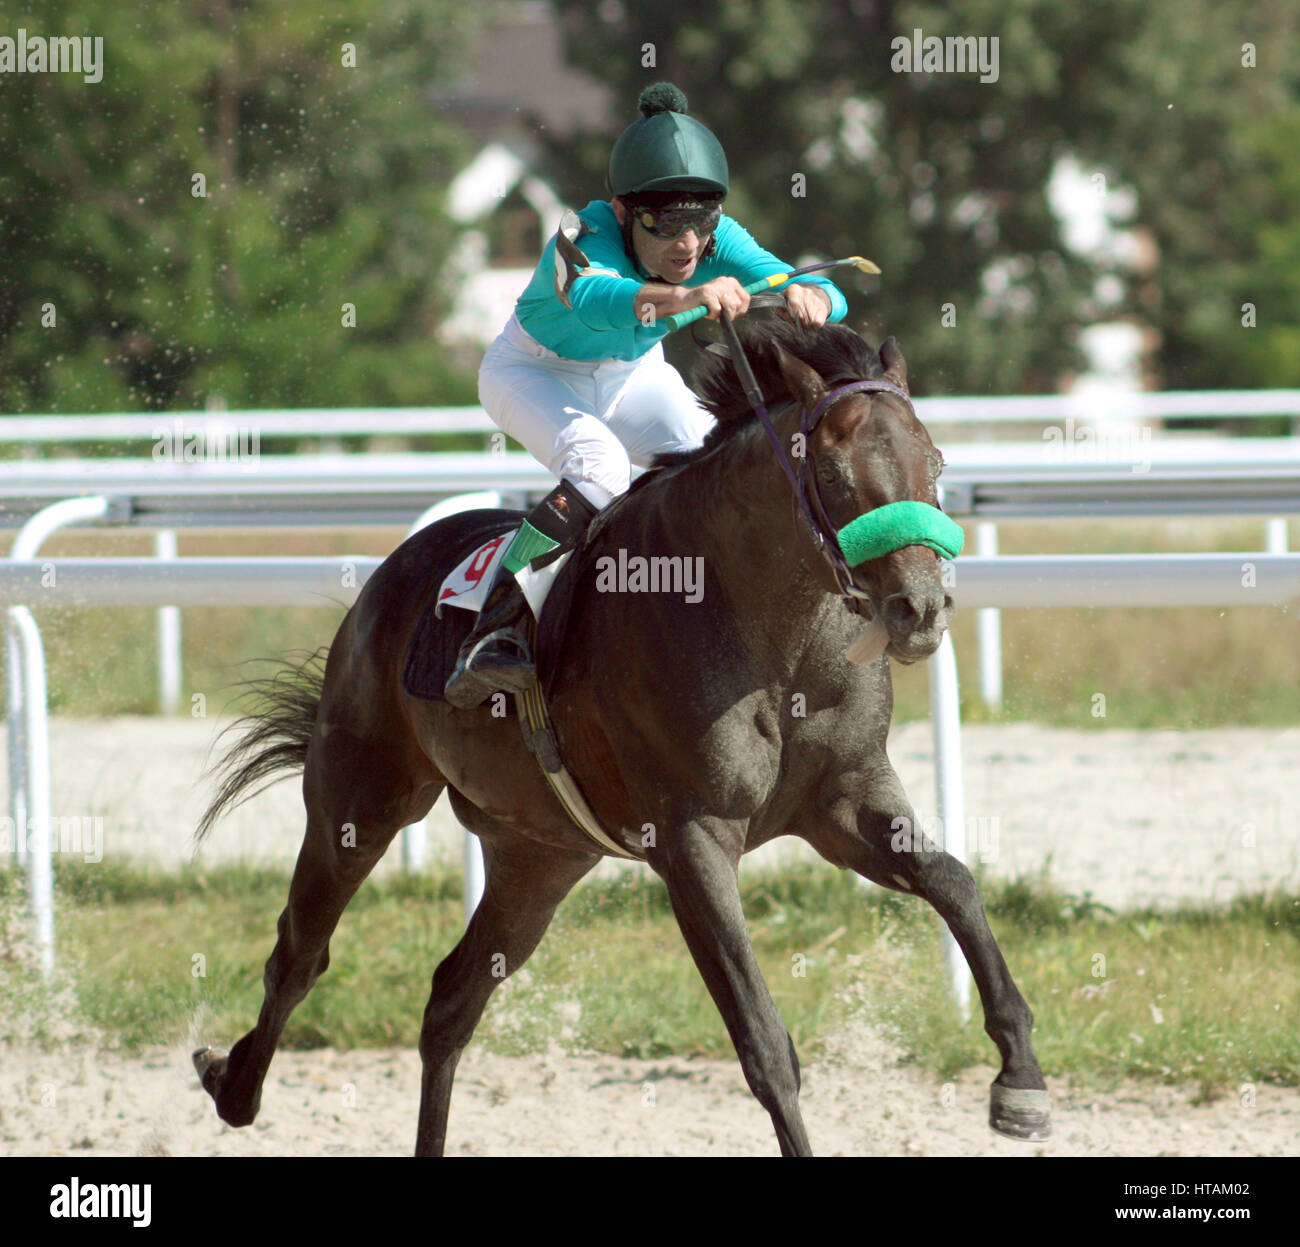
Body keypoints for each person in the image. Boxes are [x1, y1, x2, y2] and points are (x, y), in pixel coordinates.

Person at [444, 82, 848, 709]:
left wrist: (816, 296)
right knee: (599, 465)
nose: (688, 245)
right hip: (533, 372)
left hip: (632, 375)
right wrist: (686, 297)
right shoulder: (582, 236)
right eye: (668, 224)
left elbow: (804, 280)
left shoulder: (718, 239)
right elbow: (599, 299)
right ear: (624, 211)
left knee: (714, 464)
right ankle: (496, 626)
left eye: (703, 222)